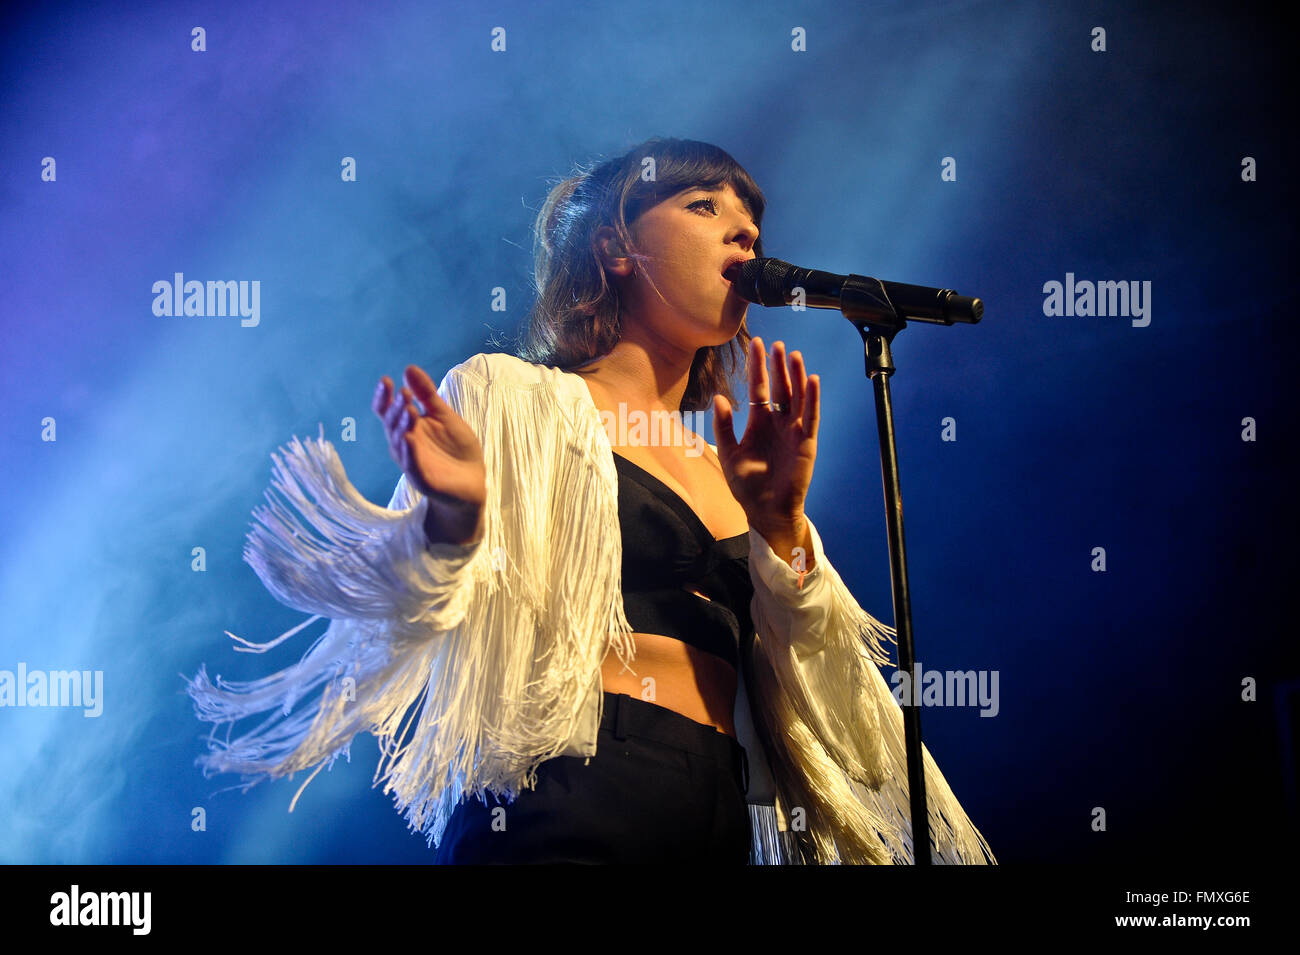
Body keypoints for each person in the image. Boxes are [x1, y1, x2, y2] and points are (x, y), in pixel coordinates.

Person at [187, 137, 996, 865]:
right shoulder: (515, 402)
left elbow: (836, 712)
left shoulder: (730, 465)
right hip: (572, 785)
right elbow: (414, 607)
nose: (745, 230)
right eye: (705, 204)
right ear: (614, 249)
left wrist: (781, 529)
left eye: (752, 217)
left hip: (721, 806)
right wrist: (453, 517)